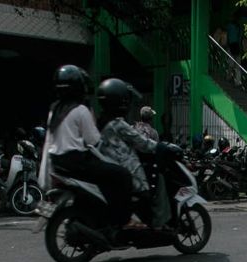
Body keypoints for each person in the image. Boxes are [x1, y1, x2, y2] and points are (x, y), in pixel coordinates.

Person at [41, 64, 133, 240]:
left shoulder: (54, 109)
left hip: (58, 163)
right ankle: (121, 221)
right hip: (77, 162)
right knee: (122, 176)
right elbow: (94, 140)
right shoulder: (81, 110)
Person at [95, 77, 176, 228]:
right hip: (126, 168)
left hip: (108, 165)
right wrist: (163, 148)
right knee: (154, 182)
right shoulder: (120, 125)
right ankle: (157, 222)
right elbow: (144, 144)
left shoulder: (102, 121)